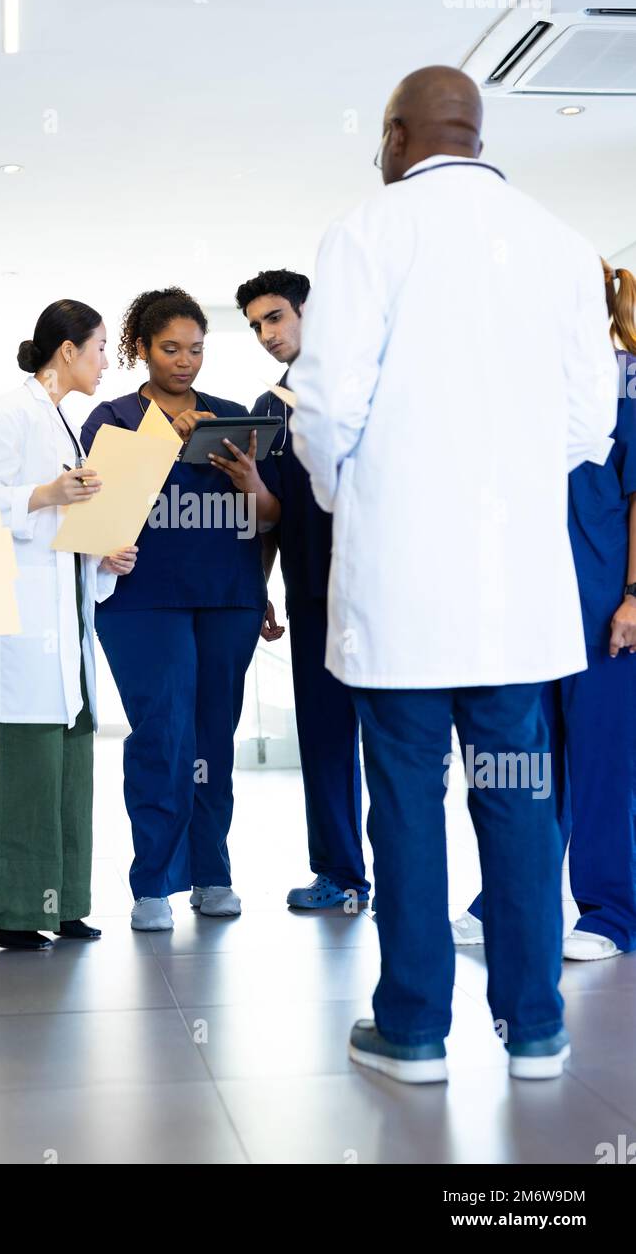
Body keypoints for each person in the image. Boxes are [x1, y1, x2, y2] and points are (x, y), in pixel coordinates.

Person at [290, 66, 617, 1084]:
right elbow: (588, 426)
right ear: (475, 135)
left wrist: (361, 501)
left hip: (402, 588)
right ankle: (536, 1029)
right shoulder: (563, 246)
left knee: (404, 798)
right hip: (516, 589)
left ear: (396, 134)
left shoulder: (366, 231)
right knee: (519, 798)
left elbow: (326, 407)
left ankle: (416, 1028)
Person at [453, 260, 636, 963]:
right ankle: (505, 894)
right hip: (528, 604)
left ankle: (610, 912)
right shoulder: (519, 389)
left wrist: (630, 597)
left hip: (601, 609)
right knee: (524, 759)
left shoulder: (624, 379)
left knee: (600, 763)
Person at [81, 287, 273, 931]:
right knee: (164, 733)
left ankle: (212, 873)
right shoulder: (110, 417)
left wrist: (248, 482)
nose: (186, 362)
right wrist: (162, 441)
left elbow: (261, 516)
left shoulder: (233, 415)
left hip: (228, 597)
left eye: (196, 349)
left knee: (213, 736)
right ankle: (153, 883)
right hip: (143, 603)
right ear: (141, 349)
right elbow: (96, 512)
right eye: (170, 349)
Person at [0, 301, 138, 950]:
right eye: (97, 351)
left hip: (67, 626)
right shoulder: (5, 413)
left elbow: (63, 530)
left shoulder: (65, 426)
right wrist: (47, 495)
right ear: (66, 351)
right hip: (22, 631)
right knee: (23, 771)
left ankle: (61, 904)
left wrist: (102, 553)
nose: (104, 365)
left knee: (68, 767)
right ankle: (9, 911)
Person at [217, 267, 369, 911]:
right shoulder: (271, 407)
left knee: (399, 740)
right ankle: (340, 873)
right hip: (313, 592)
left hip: (384, 590)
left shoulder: (370, 382)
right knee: (326, 734)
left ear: (311, 310)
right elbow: (274, 511)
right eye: (255, 325)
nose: (265, 334)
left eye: (274, 317)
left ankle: (412, 878)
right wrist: (262, 587)